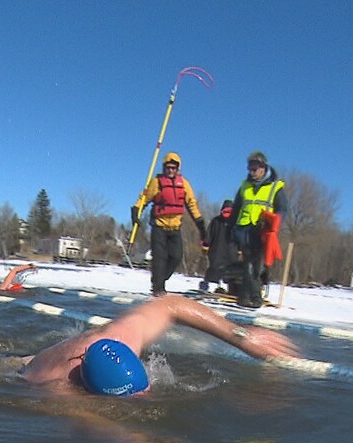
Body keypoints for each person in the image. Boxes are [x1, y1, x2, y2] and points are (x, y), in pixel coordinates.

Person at [21, 294, 298, 395]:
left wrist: (241, 336)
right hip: (21, 370)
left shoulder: (120, 336)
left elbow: (170, 305)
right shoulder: (61, 392)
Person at [131, 152, 205, 296]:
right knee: (160, 258)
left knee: (176, 256)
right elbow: (144, 199)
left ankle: (159, 278)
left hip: (175, 228)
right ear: (164, 168)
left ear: (178, 169)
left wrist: (200, 225)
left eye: (174, 168)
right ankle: (158, 287)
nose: (171, 171)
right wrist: (135, 211)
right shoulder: (157, 182)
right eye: (168, 168)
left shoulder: (184, 184)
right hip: (159, 226)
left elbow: (192, 204)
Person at [229, 152, 287, 308]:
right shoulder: (244, 186)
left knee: (256, 265)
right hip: (245, 231)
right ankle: (248, 296)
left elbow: (282, 210)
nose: (252, 172)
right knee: (249, 263)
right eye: (250, 169)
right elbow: (236, 209)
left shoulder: (275, 187)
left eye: (255, 169)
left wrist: (274, 222)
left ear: (263, 168)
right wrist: (231, 228)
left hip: (262, 232)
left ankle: (252, 296)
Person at [200, 199, 237, 293]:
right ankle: (229, 289)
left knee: (220, 268)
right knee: (224, 269)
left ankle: (210, 286)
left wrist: (206, 244)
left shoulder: (216, 221)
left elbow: (209, 234)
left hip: (219, 251)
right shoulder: (220, 221)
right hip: (227, 251)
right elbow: (209, 234)